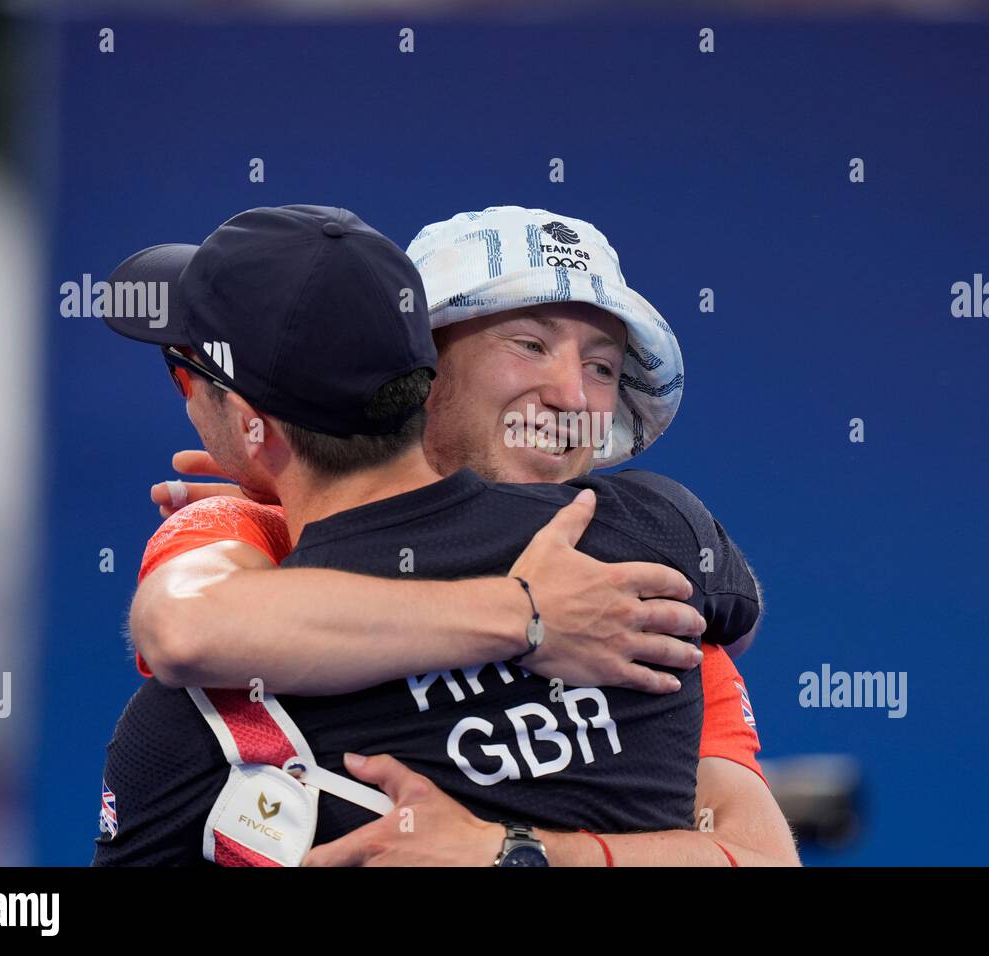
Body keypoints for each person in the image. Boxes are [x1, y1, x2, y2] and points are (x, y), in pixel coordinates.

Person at [95, 205, 798, 866]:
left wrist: (516, 851)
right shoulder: (656, 544)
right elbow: (184, 626)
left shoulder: (650, 569)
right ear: (422, 372)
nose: (573, 399)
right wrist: (529, 614)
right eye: (528, 344)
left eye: (602, 367)